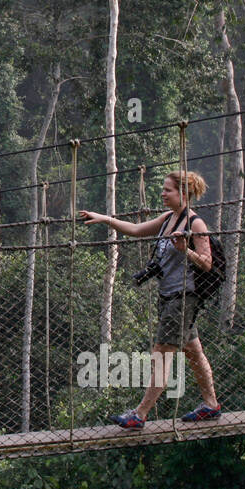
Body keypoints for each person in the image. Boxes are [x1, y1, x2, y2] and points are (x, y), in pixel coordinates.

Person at [78, 170, 222, 428]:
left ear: (184, 194)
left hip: (183, 298)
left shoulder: (195, 224)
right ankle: (211, 404)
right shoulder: (169, 218)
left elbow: (207, 263)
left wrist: (185, 250)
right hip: (168, 296)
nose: (163, 194)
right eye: (164, 189)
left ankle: (140, 414)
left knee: (160, 354)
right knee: (193, 350)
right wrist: (104, 219)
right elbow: (135, 230)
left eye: (168, 190)